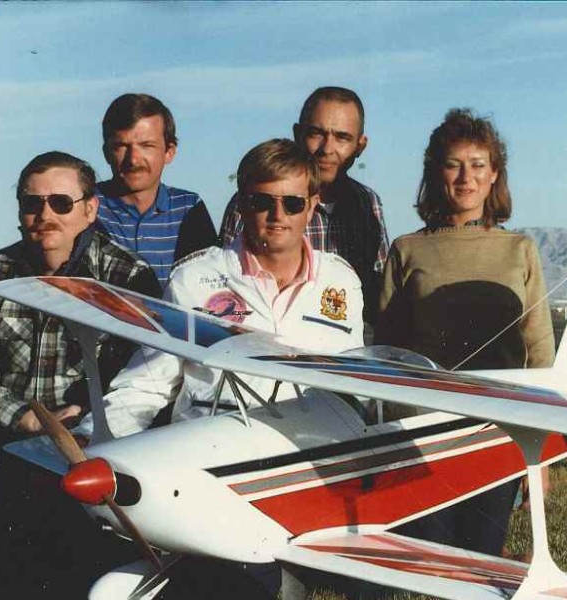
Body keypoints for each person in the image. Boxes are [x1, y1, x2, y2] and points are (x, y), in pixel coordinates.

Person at [81, 138, 363, 439]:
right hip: (211, 457)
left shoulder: (341, 281)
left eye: (293, 204)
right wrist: (93, 438)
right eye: (262, 202)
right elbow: (148, 383)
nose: (278, 216)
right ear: (241, 204)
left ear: (311, 207)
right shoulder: (193, 278)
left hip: (308, 459)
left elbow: (359, 387)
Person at [377, 108, 556, 557]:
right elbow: (385, 348)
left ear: (495, 175)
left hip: (498, 429)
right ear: (436, 172)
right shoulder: (407, 249)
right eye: (454, 164)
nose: (466, 178)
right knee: (430, 559)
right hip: (423, 430)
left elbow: (539, 351)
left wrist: (545, 452)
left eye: (478, 165)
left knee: (480, 554)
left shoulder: (520, 250)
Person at [0, 150, 161, 486]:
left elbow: (145, 377)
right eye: (33, 203)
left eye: (61, 203)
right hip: (19, 451)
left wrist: (83, 418)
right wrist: (26, 419)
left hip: (102, 455)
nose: (45, 214)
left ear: (90, 209)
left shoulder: (128, 279)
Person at [219, 87, 387, 328]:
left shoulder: (367, 203)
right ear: (298, 133)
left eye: (342, 137)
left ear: (360, 146)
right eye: (317, 133)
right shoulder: (254, 202)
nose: (327, 148)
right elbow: (224, 280)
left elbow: (376, 287)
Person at [96, 93, 218, 287]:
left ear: (169, 152)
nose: (133, 159)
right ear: (106, 153)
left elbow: (209, 287)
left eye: (146, 146)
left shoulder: (188, 208)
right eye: (121, 146)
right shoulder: (86, 208)